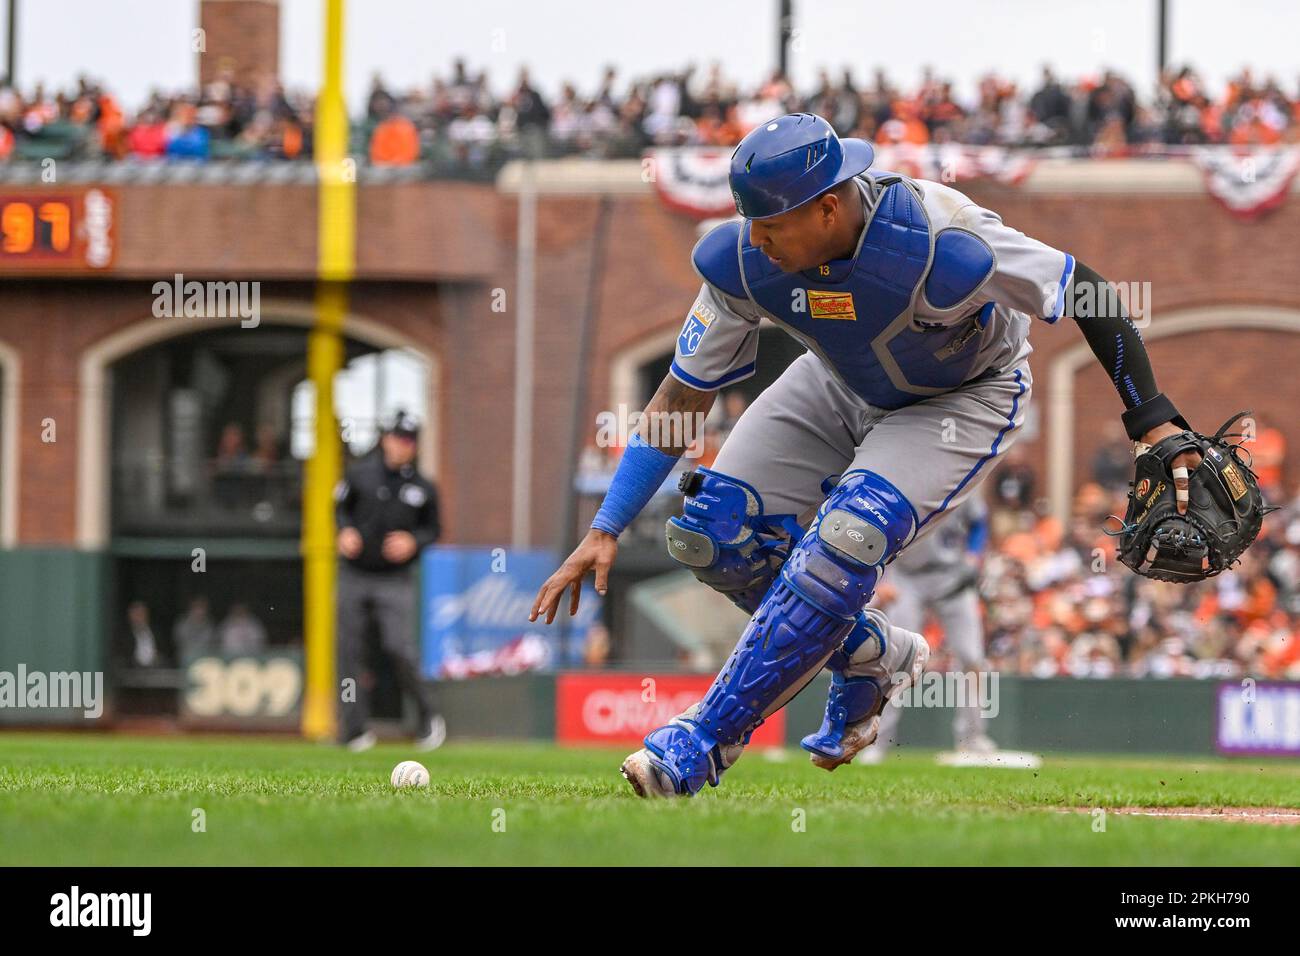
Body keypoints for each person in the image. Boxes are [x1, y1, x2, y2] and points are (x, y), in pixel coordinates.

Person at [530, 113, 1204, 798]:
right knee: (710, 536)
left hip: (961, 396)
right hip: (838, 379)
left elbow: (1085, 288)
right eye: (749, 223)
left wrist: (1149, 417)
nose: (755, 241)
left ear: (826, 208)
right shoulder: (743, 262)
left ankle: (701, 743)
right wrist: (606, 526)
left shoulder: (942, 236)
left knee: (849, 534)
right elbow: (679, 399)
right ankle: (870, 653)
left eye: (769, 224)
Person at [334, 411, 445, 752]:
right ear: (386, 439)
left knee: (398, 647)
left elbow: (433, 530)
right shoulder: (359, 474)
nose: (402, 446)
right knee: (349, 652)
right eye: (398, 438)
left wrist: (414, 541)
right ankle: (353, 729)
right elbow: (339, 509)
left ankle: (427, 718)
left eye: (409, 440)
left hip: (394, 580)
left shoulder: (423, 488)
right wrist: (344, 531)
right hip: (355, 574)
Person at [858, 492, 996, 762]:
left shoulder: (962, 481)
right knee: (896, 659)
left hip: (952, 576)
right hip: (907, 578)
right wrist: (882, 575)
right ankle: (878, 741)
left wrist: (973, 556)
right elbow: (879, 531)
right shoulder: (906, 483)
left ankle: (972, 738)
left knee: (971, 658)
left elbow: (979, 522)